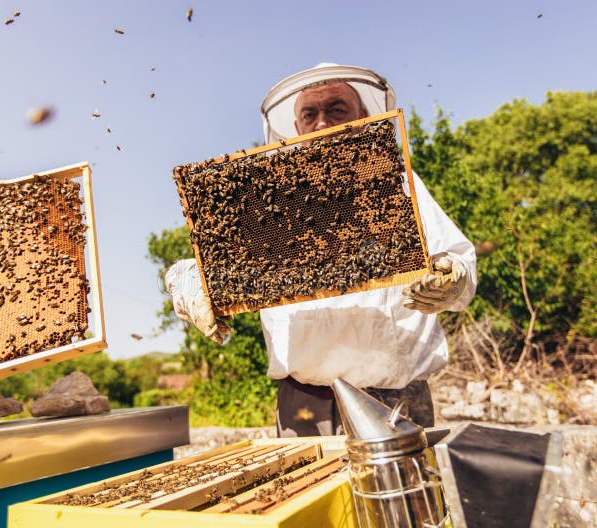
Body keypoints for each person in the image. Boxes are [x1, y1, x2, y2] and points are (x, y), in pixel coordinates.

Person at [167, 63, 477, 436]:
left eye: (336, 109)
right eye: (309, 114)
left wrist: (453, 277)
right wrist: (194, 279)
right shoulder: (269, 200)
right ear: (296, 127)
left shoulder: (399, 182)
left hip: (396, 401)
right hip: (304, 405)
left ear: (363, 116)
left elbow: (459, 264)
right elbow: (226, 272)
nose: (321, 123)